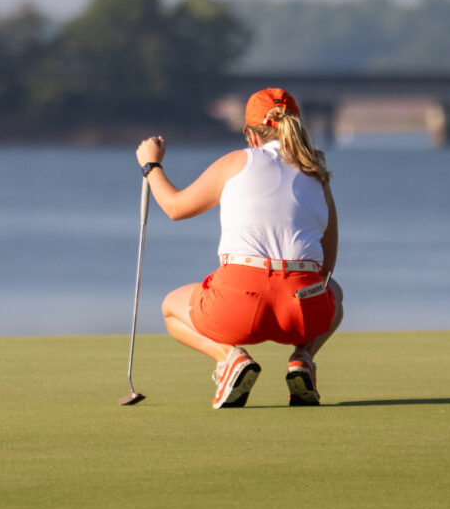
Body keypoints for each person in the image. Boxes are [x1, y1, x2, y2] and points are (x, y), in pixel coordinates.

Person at [135, 86, 343, 408]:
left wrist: (151, 166)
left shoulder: (236, 162)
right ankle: (302, 359)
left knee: (170, 307)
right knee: (336, 294)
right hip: (302, 311)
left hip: (240, 308)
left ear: (251, 135)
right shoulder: (317, 172)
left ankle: (230, 358)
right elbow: (327, 266)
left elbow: (175, 208)